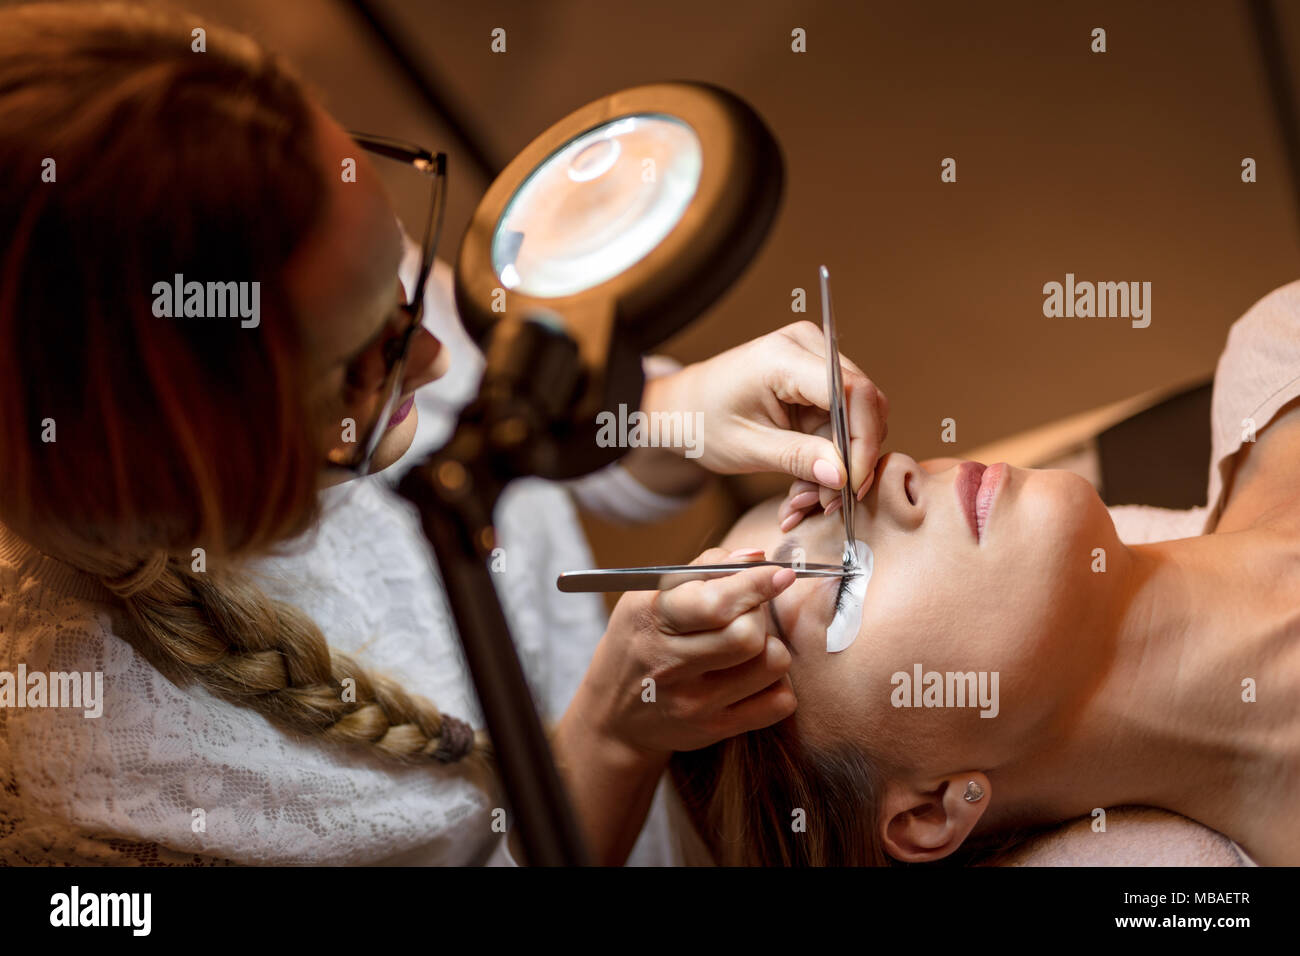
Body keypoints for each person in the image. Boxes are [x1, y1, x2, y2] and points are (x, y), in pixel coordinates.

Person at [0, 2, 889, 865]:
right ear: (206, 463)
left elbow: (529, 437)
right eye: (365, 360)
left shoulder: (315, 267)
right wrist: (613, 735)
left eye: (401, 274)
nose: (430, 351)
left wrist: (671, 416)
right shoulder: (104, 788)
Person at [670, 279, 1300, 866]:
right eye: (842, 583)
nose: (893, 478)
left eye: (837, 493)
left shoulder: (1280, 351)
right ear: (930, 810)